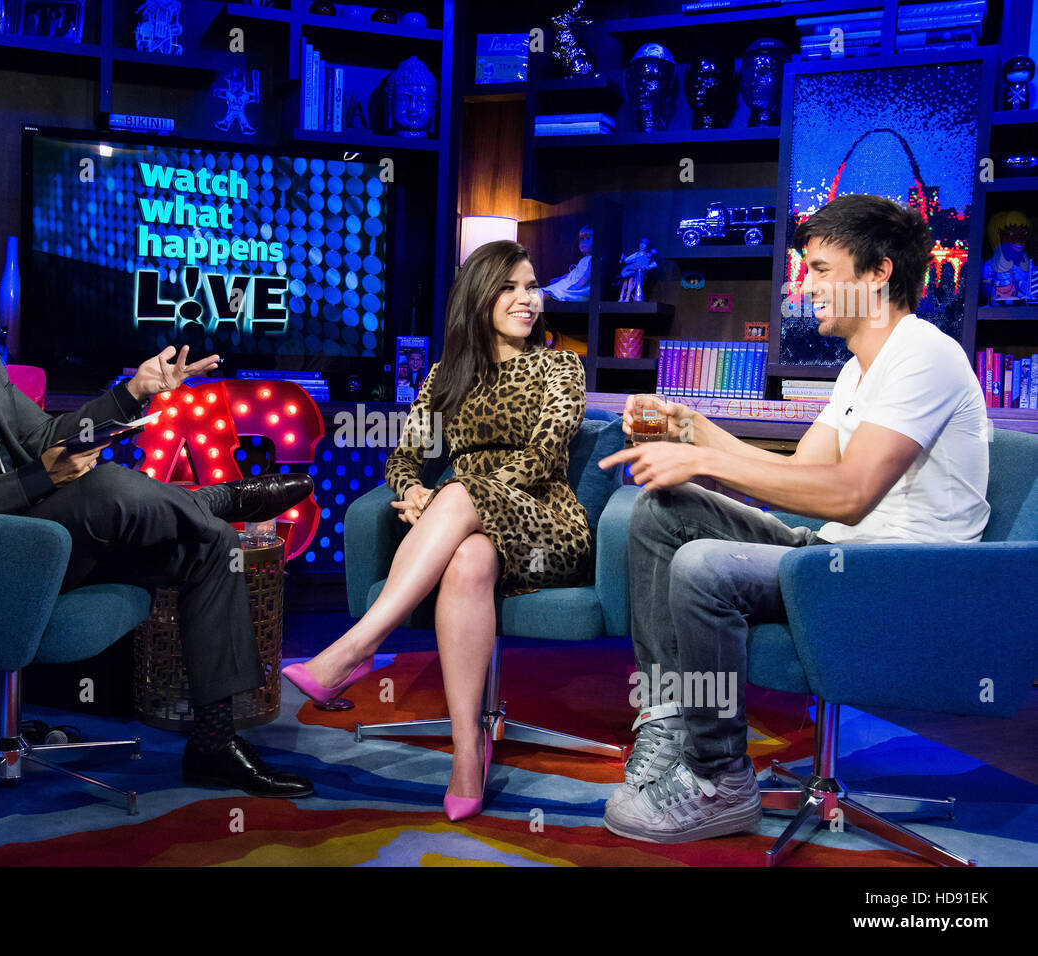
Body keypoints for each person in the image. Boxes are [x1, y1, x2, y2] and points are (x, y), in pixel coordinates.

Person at [0, 201, 316, 799]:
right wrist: (39, 480)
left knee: (212, 545)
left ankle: (214, 746)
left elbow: (44, 438)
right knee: (101, 486)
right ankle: (215, 497)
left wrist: (131, 395)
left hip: (36, 545)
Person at [596, 193, 989, 844]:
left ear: (878, 273)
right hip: (835, 553)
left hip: (903, 575)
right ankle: (668, 716)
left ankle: (719, 780)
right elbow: (799, 482)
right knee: (662, 511)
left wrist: (695, 457)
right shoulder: (860, 371)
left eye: (822, 269)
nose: (805, 286)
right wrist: (693, 428)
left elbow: (848, 494)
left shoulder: (925, 354)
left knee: (702, 565)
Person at [282, 240, 593, 820]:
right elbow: (404, 460)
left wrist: (459, 494)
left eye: (532, 287)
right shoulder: (447, 377)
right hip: (467, 529)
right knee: (470, 559)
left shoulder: (560, 367)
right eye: (511, 287)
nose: (528, 299)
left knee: (460, 496)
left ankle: (356, 648)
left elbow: (545, 458)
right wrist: (417, 493)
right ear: (480, 297)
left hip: (545, 525)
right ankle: (467, 753)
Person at [542, 226, 592, 302]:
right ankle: (530, 305)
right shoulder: (583, 260)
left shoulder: (593, 260)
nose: (583, 242)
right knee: (546, 291)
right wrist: (560, 278)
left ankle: (532, 304)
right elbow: (573, 274)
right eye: (581, 239)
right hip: (570, 284)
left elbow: (586, 276)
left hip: (579, 288)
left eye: (588, 238)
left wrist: (576, 286)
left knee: (551, 292)